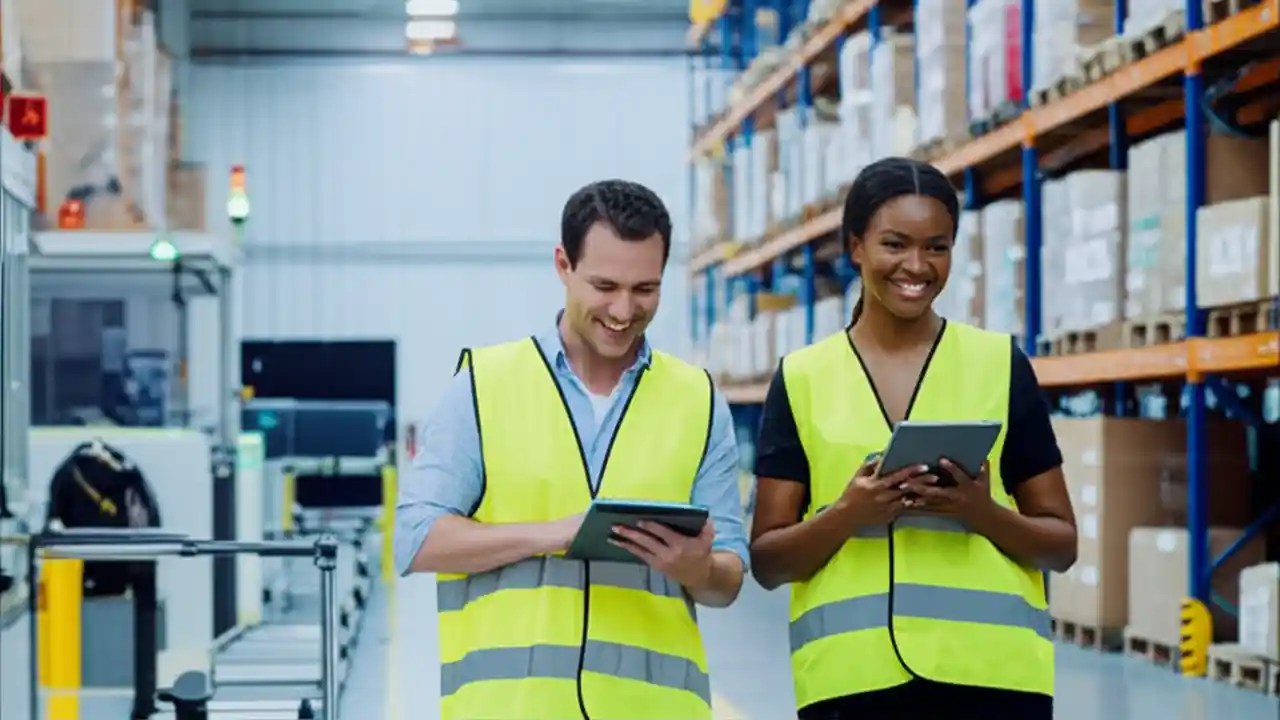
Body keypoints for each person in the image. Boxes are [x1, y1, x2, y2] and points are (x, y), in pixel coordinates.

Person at [395, 179, 749, 720]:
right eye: (604, 286)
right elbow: (416, 538)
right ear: (563, 265)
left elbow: (729, 578)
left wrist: (699, 570)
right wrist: (558, 533)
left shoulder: (697, 399)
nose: (623, 310)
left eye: (645, 289)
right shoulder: (485, 385)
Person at [748, 157, 1077, 719]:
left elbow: (1061, 545)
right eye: (895, 244)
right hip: (853, 686)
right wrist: (848, 514)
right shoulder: (803, 378)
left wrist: (981, 511)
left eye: (937, 247)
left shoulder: (999, 364)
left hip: (993, 680)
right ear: (856, 247)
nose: (917, 266)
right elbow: (768, 562)